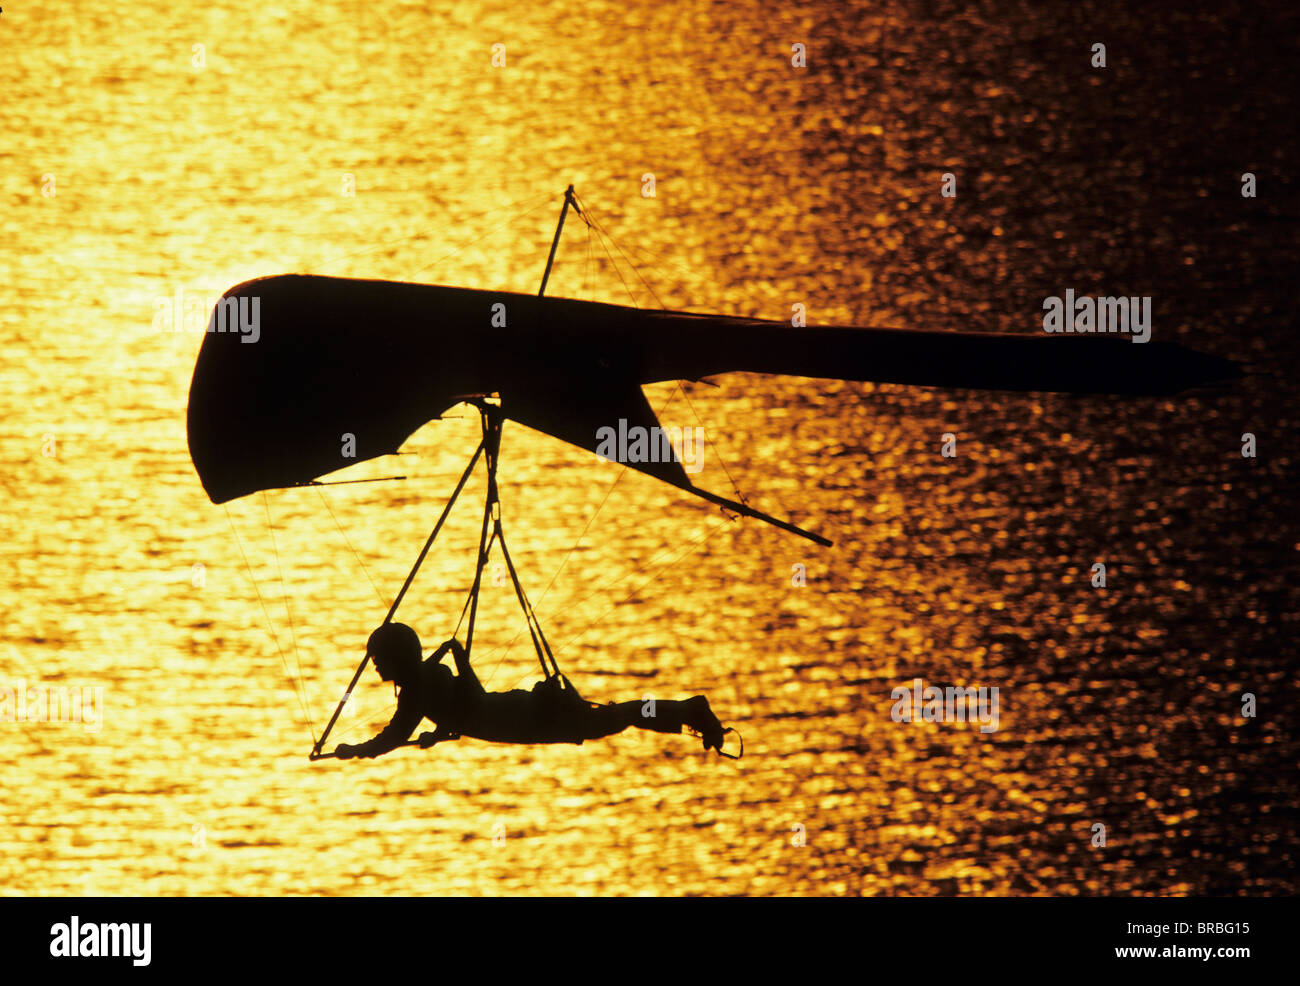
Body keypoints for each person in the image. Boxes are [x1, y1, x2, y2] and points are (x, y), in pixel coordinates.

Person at [334, 622, 728, 759]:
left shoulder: (419, 686)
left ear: (398, 657)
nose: (374, 665)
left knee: (607, 721)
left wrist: (357, 751)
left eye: (378, 658)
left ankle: (690, 709)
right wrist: (440, 731)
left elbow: (392, 737)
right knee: (606, 721)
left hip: (518, 718)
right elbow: (466, 701)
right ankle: (688, 712)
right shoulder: (425, 680)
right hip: (510, 713)